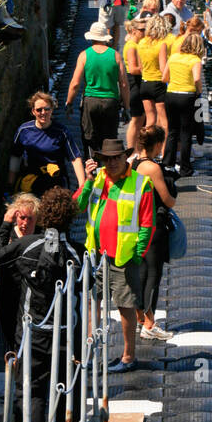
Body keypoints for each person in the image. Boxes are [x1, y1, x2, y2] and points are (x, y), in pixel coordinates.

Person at [0, 188, 80, 422]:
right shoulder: (77, 252)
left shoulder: (26, 246)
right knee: (65, 385)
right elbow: (87, 292)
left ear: (43, 218)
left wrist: (5, 225)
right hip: (65, 332)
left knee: (30, 387)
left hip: (33, 332)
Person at [74, 138, 155, 373]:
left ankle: (128, 357)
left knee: (125, 306)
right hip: (96, 254)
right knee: (92, 303)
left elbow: (147, 223)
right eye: (107, 159)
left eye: (116, 158)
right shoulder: (97, 178)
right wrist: (88, 181)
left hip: (124, 256)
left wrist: (138, 254)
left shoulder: (142, 183)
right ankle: (89, 354)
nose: (111, 163)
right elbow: (78, 205)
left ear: (125, 158)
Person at [133, 125, 178, 339]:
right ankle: (150, 325)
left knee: (140, 273)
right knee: (153, 275)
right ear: (158, 144)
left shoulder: (131, 163)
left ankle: (140, 319)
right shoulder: (152, 168)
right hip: (153, 225)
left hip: (135, 224)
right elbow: (168, 200)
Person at [8, 92, 85, 196]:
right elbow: (15, 157)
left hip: (55, 180)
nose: (43, 112)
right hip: (31, 180)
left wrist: (82, 186)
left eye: (47, 109)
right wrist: (10, 184)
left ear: (52, 110)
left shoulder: (61, 132)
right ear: (33, 111)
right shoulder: (24, 131)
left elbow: (75, 158)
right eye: (39, 110)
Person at [67, 23, 128, 155]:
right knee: (109, 139)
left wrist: (69, 103)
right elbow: (123, 84)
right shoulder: (115, 55)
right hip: (111, 102)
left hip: (91, 101)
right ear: (105, 38)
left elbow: (75, 83)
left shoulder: (84, 55)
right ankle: (108, 169)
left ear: (91, 37)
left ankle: (91, 167)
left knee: (89, 138)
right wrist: (127, 108)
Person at [161, 28, 205, 174]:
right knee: (186, 133)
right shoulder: (195, 60)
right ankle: (185, 168)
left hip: (171, 95)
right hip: (187, 96)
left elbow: (164, 78)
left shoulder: (173, 57)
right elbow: (197, 78)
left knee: (172, 131)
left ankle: (168, 163)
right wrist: (199, 90)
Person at [137, 13, 170, 139]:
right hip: (158, 84)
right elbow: (163, 68)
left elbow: (140, 67)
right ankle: (163, 152)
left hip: (145, 83)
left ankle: (143, 149)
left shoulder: (141, 43)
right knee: (164, 123)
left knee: (149, 121)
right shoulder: (161, 44)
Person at [123, 16, 146, 153]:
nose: (144, 32)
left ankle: (136, 149)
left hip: (138, 82)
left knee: (141, 118)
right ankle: (131, 150)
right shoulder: (132, 46)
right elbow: (132, 69)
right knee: (136, 119)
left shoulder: (136, 44)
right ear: (134, 31)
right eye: (142, 30)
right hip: (133, 82)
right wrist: (148, 69)